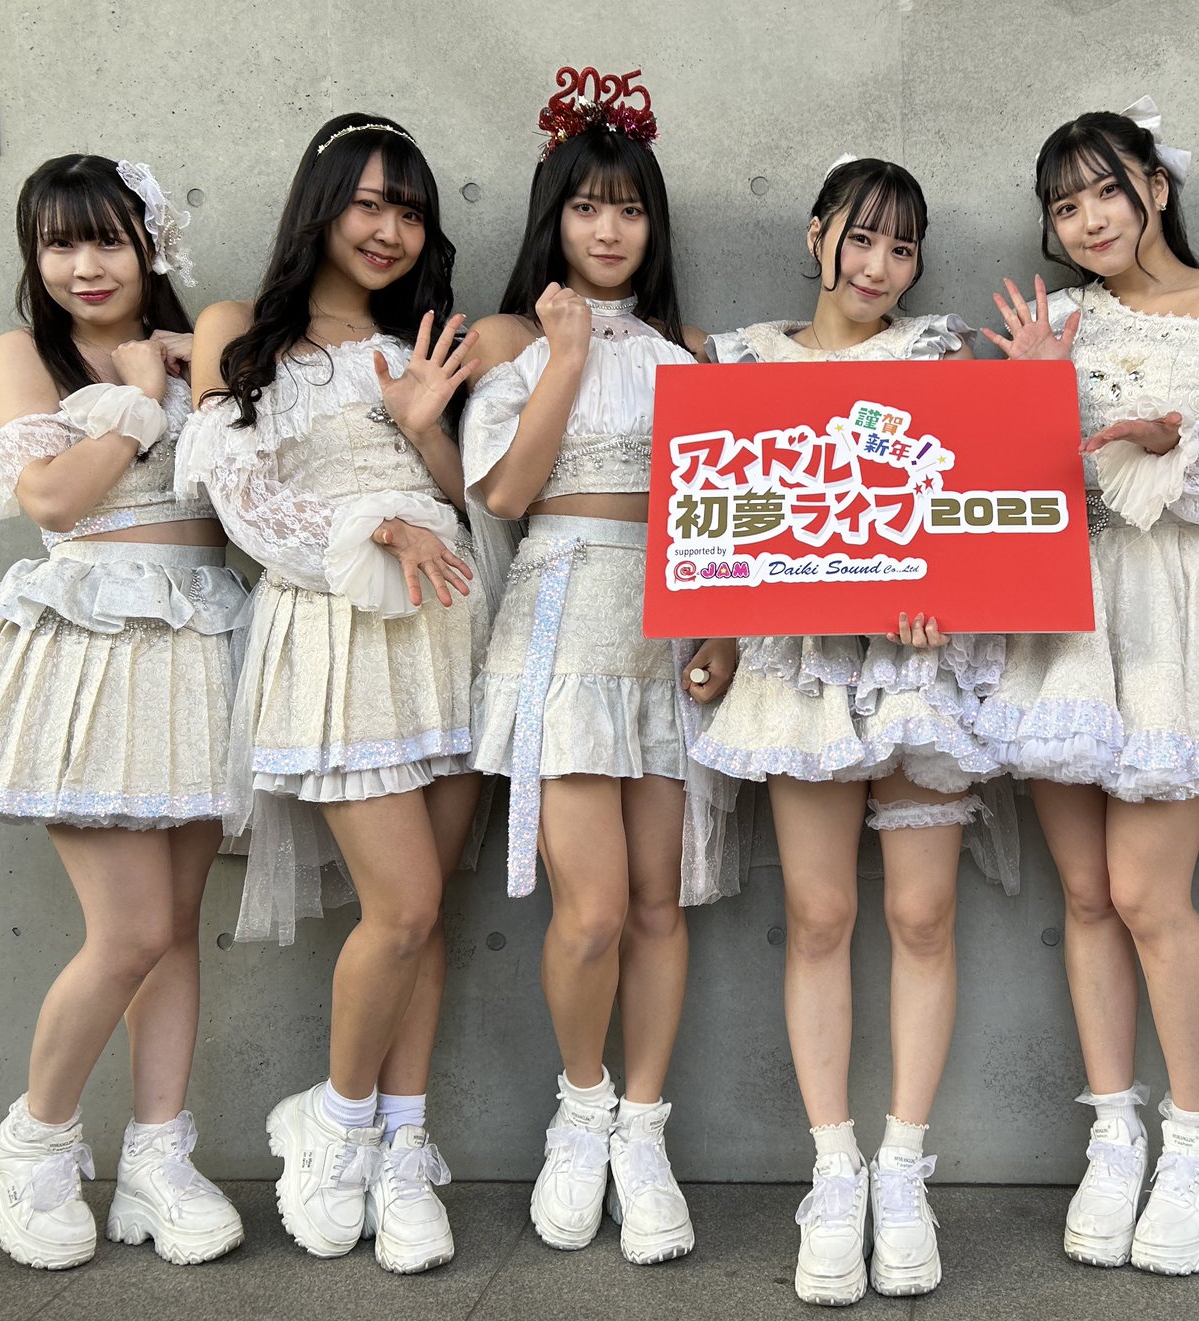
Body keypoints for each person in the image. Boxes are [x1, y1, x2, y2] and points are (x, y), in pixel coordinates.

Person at [979, 99, 1199, 1276]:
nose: (1086, 219)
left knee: (1145, 893)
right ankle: (1112, 1136)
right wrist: (1029, 390)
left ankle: (1198, 1144)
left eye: (1104, 191)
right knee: (1082, 893)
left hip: (1180, 605)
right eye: (1063, 205)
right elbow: (1013, 488)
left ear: (1154, 187)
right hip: (1069, 608)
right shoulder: (1054, 320)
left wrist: (1178, 448)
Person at [0, 154, 247, 1269]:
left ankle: (157, 1157)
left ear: (151, 245)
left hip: (198, 643)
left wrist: (200, 374)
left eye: (107, 238)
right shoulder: (25, 353)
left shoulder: (204, 346)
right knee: (129, 931)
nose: (84, 265)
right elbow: (50, 498)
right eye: (59, 243)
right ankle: (34, 1143)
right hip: (90, 650)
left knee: (175, 928)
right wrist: (143, 405)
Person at [689, 155, 1012, 1305]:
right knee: (819, 914)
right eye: (861, 238)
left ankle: (902, 1168)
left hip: (916, 667)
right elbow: (724, 522)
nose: (879, 266)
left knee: (922, 914)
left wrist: (948, 594)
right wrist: (715, 639)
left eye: (902, 247)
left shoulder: (941, 357)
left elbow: (982, 507)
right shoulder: (739, 362)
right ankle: (833, 1170)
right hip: (799, 666)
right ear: (815, 235)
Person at [179, 113, 487, 1274]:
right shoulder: (236, 332)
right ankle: (337, 1121)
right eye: (368, 202)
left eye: (409, 210)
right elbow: (240, 499)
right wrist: (380, 526)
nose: (389, 229)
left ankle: (402, 1145)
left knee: (427, 914)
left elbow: (481, 502)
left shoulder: (425, 343)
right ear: (321, 204)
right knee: (398, 907)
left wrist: (425, 432)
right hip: (337, 630)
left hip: (447, 628)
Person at [460, 72, 738, 1267]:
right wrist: (565, 356)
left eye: (628, 209)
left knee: (658, 905)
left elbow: (724, 511)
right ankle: (581, 1108)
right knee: (591, 913)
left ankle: (644, 1128)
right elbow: (507, 494)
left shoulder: (690, 351)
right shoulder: (512, 341)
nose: (609, 229)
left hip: (667, 628)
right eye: (585, 207)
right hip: (563, 618)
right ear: (553, 217)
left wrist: (723, 627)